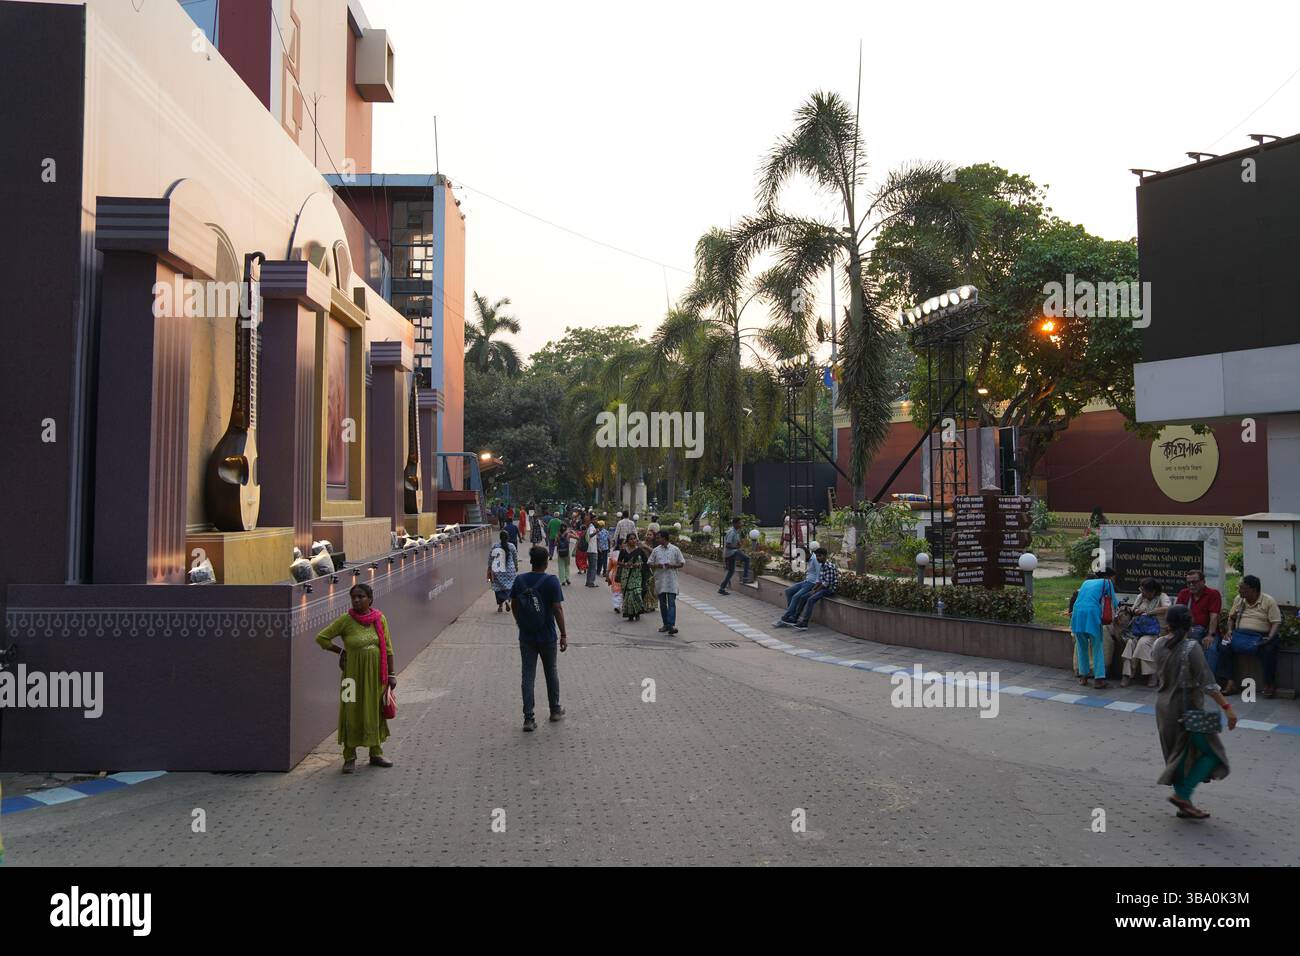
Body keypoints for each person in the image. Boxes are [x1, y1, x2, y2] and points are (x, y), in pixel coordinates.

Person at [1153, 604, 1237, 820]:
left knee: (1180, 756)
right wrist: (1228, 709)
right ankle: (1182, 795)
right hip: (1189, 710)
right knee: (1213, 754)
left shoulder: (1158, 644)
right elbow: (1209, 685)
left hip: (1163, 708)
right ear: (1190, 624)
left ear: (1168, 623)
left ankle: (1185, 804)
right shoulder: (1192, 647)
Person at [315, 583, 397, 773]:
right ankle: (349, 756)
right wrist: (341, 651)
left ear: (370, 599)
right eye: (354, 597)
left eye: (361, 597)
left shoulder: (379, 619)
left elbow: (389, 648)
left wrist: (391, 675)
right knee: (350, 709)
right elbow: (322, 638)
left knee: (374, 710)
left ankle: (376, 753)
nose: (357, 600)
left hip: (375, 677)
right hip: (350, 677)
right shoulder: (345, 620)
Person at [510, 545, 567, 732]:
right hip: (548, 636)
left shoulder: (519, 580)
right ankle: (555, 710)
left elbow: (515, 604)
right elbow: (557, 608)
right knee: (551, 672)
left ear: (532, 561)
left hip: (526, 636)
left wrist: (520, 623)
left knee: (528, 675)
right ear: (546, 562)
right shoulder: (551, 581)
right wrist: (564, 634)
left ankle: (528, 719)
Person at [1217, 575, 1283, 698]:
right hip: (1241, 634)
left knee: (1269, 650)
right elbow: (1231, 618)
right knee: (1224, 645)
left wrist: (1269, 637)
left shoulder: (1268, 601)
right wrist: (1230, 630)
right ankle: (1230, 682)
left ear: (1254, 590)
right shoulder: (1239, 599)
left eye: (1243, 588)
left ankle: (1269, 683)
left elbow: (1276, 622)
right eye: (1240, 588)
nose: (1239, 591)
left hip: (1261, 635)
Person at [1117, 577, 1171, 687]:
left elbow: (1167, 609)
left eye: (1145, 591)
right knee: (1130, 643)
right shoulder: (1141, 597)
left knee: (1143, 642)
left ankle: (1152, 674)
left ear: (1153, 591)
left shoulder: (1162, 596)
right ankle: (1127, 675)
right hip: (1139, 630)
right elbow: (1133, 609)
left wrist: (1150, 612)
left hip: (1156, 631)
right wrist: (1137, 611)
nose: (1143, 593)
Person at [1070, 568, 1116, 689]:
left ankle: (1083, 677)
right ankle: (1099, 679)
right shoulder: (1107, 583)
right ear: (1109, 577)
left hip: (1077, 614)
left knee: (1082, 647)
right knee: (1097, 646)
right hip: (1091, 614)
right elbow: (1114, 603)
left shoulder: (1086, 582)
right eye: (1114, 578)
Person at [649, 529, 685, 635]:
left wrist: (672, 565)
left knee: (671, 603)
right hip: (660, 580)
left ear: (664, 538)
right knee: (663, 604)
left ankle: (671, 625)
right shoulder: (656, 550)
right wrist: (657, 565)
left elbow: (682, 563)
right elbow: (649, 563)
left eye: (658, 537)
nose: (657, 539)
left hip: (671, 580)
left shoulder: (675, 549)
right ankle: (666, 624)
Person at [775, 547, 821, 627]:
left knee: (796, 596)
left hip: (811, 583)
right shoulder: (809, 559)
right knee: (788, 591)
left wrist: (815, 588)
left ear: (806, 554)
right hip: (806, 581)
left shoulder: (815, 560)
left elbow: (819, 574)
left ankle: (786, 617)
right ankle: (792, 616)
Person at [616, 533, 651, 622]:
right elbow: (619, 562)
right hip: (626, 575)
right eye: (631, 539)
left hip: (637, 575)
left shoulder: (640, 551)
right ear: (627, 541)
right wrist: (625, 564)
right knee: (628, 595)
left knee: (636, 593)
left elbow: (646, 563)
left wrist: (638, 565)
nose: (633, 540)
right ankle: (630, 614)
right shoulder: (623, 551)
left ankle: (637, 612)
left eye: (634, 539)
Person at [718, 518, 751, 594]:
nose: (741, 524)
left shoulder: (736, 532)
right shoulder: (732, 532)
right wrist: (736, 547)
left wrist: (739, 544)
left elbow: (736, 543)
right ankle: (745, 578)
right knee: (747, 559)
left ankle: (722, 588)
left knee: (731, 571)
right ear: (735, 524)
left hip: (731, 553)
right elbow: (728, 544)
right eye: (739, 523)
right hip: (731, 552)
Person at [488, 530, 518, 612]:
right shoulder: (511, 546)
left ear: (500, 538)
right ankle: (508, 600)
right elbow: (515, 558)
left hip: (498, 570)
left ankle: (500, 606)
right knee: (509, 587)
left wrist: (489, 567)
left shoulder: (495, 546)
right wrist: (516, 567)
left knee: (498, 588)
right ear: (508, 538)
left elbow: (490, 558)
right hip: (510, 570)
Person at [554, 519, 572, 586]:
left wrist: (559, 543)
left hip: (560, 552)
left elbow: (555, 544)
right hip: (567, 552)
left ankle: (562, 580)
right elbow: (578, 537)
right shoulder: (568, 534)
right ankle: (567, 578)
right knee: (567, 566)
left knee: (561, 566)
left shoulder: (557, 535)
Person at [585, 515, 600, 587]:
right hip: (592, 550)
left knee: (590, 567)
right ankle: (591, 582)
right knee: (593, 567)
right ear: (591, 520)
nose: (596, 521)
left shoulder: (590, 527)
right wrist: (596, 532)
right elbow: (590, 535)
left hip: (590, 549)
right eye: (594, 519)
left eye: (596, 519)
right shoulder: (592, 528)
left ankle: (588, 581)